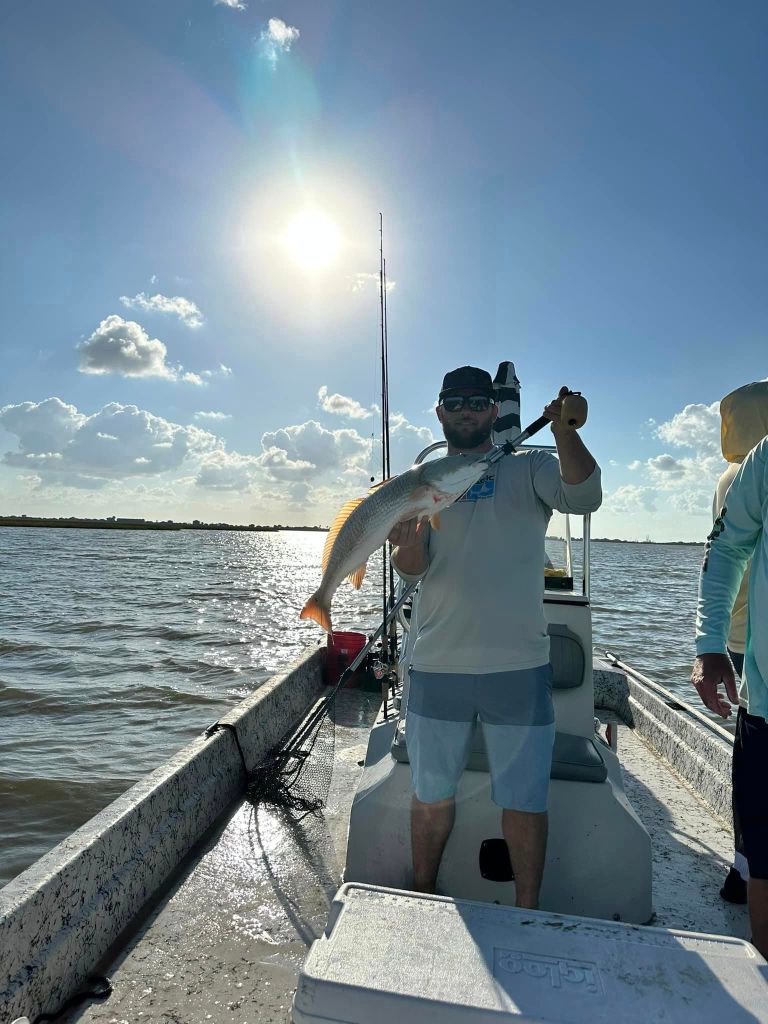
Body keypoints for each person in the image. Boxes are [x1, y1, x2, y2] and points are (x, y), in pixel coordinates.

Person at [389, 365, 602, 908]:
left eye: (477, 401)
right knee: (429, 796)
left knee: (525, 800)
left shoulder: (531, 467)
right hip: (437, 665)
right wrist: (407, 548)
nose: (465, 410)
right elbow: (411, 571)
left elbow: (585, 496)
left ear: (493, 411)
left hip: (519, 667)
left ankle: (526, 911)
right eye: (453, 401)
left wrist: (564, 430)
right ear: (439, 411)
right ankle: (421, 894)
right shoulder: (422, 478)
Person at [691, 432, 768, 959]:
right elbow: (729, 546)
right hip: (765, 705)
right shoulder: (766, 457)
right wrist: (709, 643)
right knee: (763, 858)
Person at [711, 382, 768, 904]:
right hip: (748, 639)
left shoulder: (733, 475)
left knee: (749, 763)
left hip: (736, 634)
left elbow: (723, 555)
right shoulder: (754, 470)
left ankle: (742, 868)